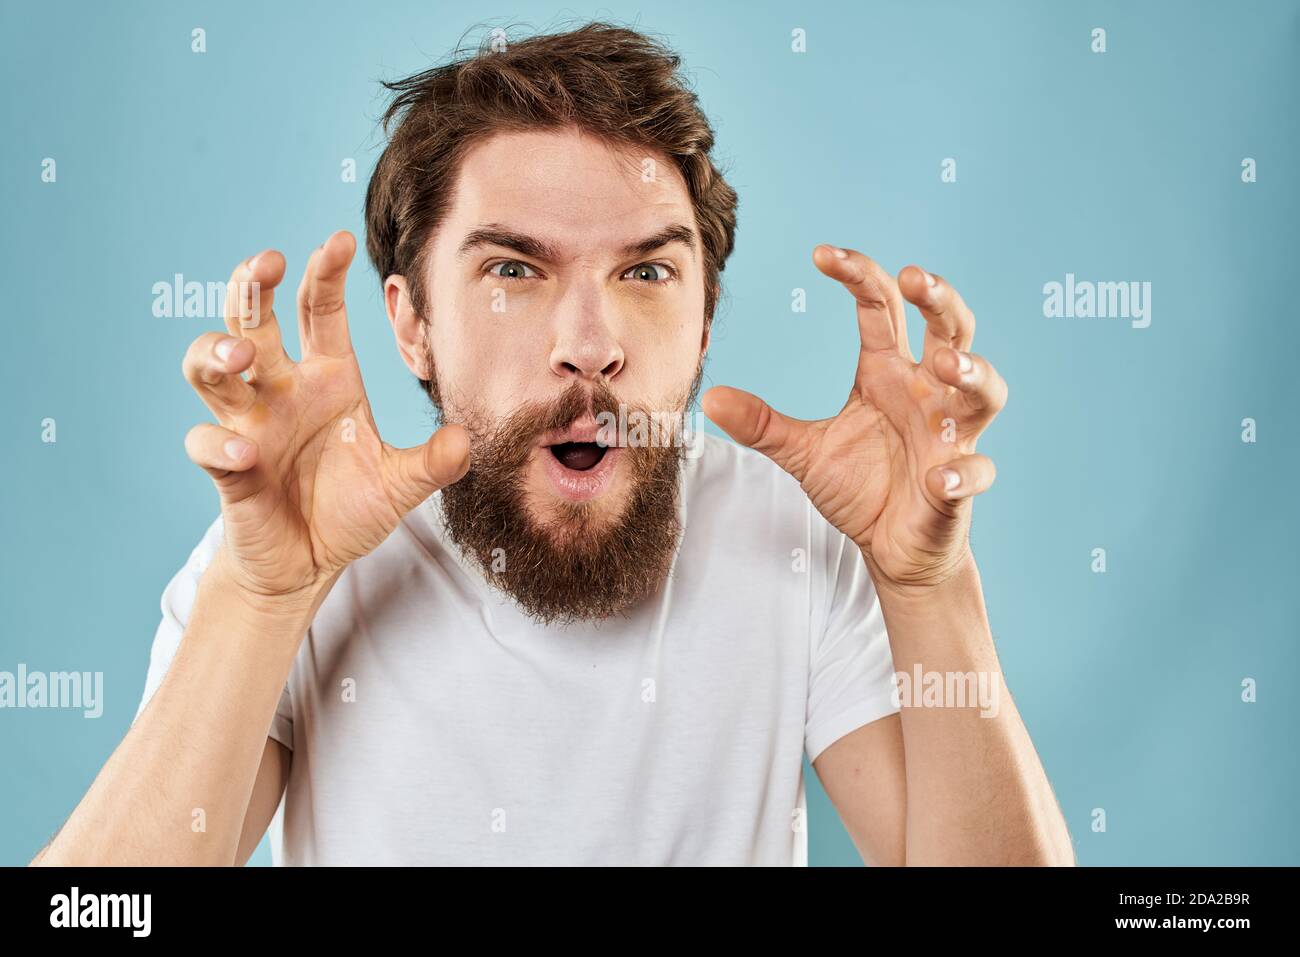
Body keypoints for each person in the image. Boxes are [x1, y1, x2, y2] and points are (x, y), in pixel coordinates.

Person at [32, 22, 1072, 866]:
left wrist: (930, 585)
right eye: (514, 272)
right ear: (411, 324)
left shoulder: (789, 542)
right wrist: (260, 604)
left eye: (646, 273)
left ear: (705, 320)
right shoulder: (287, 569)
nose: (589, 348)